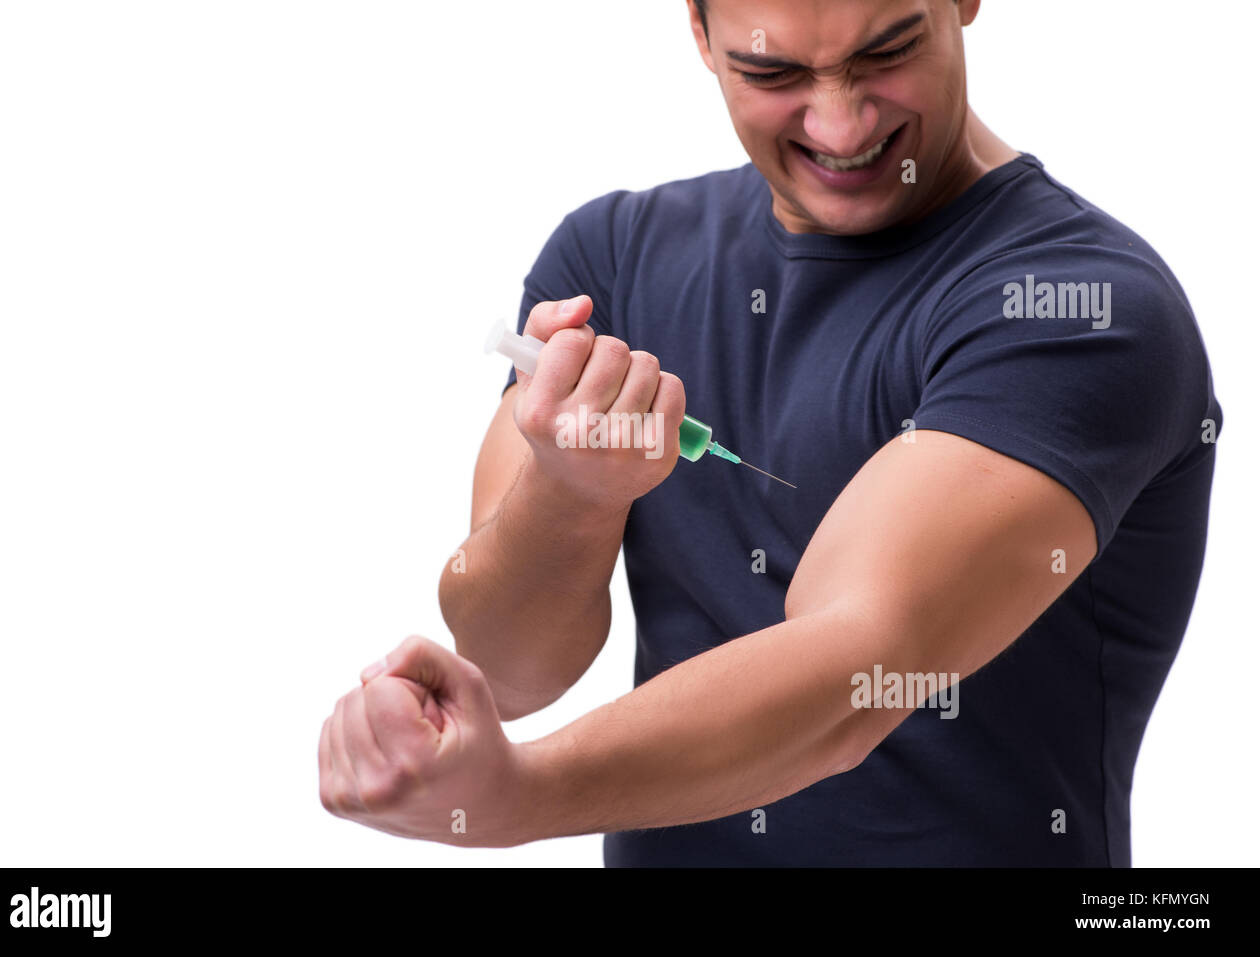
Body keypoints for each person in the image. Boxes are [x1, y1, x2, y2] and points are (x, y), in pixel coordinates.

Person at [319, 0, 1222, 866]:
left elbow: (853, 672)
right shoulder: (612, 261)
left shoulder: (1081, 306)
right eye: (773, 70)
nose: (840, 124)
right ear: (700, 30)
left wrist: (517, 793)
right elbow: (510, 668)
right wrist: (570, 491)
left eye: (887, 51)